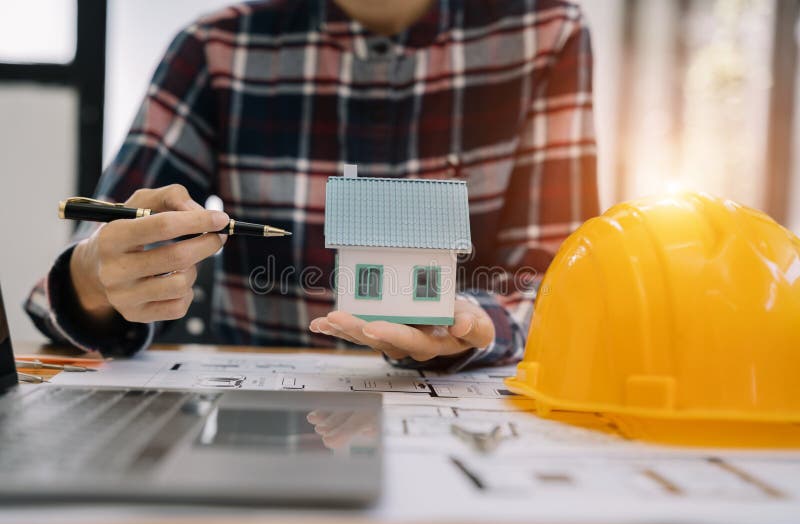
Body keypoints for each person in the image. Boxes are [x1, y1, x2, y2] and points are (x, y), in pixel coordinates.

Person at [26, 0, 598, 371]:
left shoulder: (548, 35)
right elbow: (86, 266)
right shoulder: (214, 49)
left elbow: (560, 284)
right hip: (259, 428)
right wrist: (95, 278)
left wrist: (475, 323)